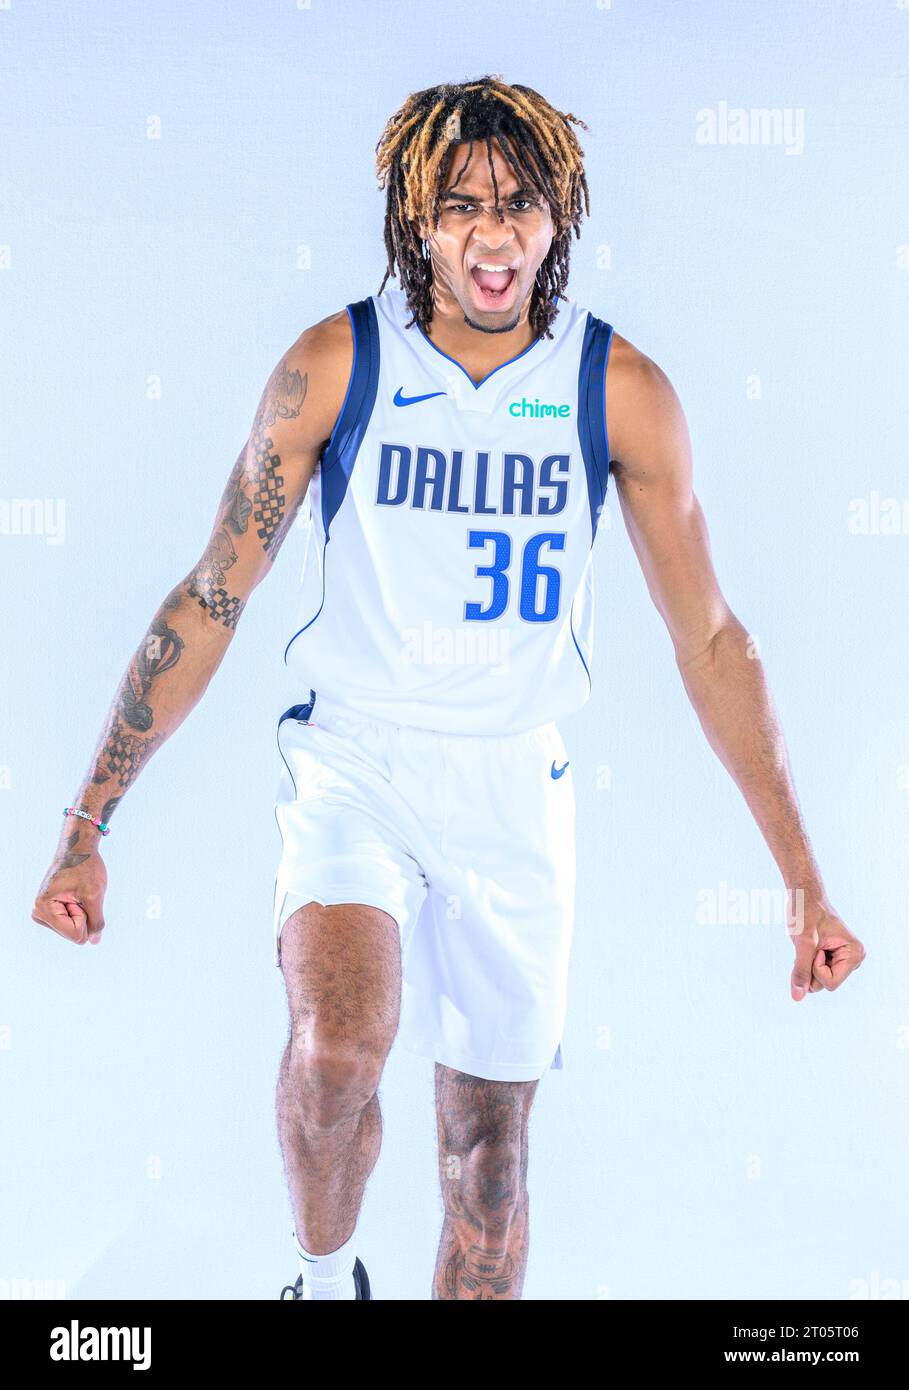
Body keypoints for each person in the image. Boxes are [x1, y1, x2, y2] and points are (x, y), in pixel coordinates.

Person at [31, 75, 866, 1302]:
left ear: (556, 218)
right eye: (463, 205)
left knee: (490, 1175)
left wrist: (802, 882)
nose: (493, 233)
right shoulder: (335, 366)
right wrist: (86, 823)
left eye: (520, 204)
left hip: (515, 785)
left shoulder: (615, 389)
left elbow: (714, 642)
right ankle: (322, 1275)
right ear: (418, 219)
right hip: (356, 761)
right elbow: (213, 595)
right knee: (335, 1052)